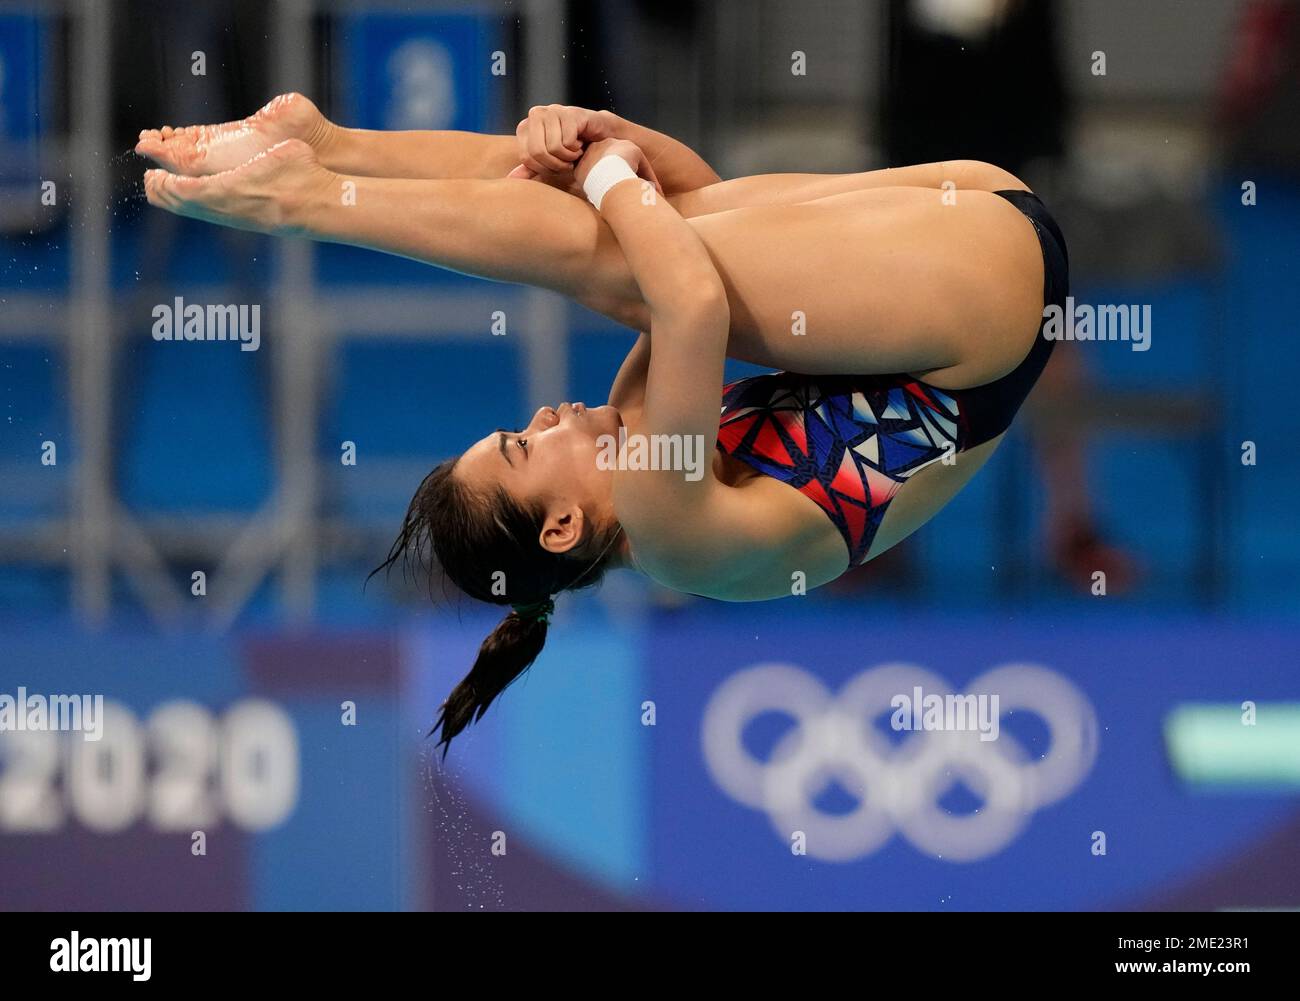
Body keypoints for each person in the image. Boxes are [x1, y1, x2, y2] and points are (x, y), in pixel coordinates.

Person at [137, 96, 1067, 751]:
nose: (542, 415)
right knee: (618, 259)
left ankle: (333, 147)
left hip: (976, 231)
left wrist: (617, 149)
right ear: (562, 525)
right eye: (522, 445)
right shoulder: (669, 532)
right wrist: (614, 173)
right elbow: (692, 302)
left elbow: (697, 207)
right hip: (985, 300)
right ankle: (309, 197)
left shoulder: (645, 450)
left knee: (630, 232)